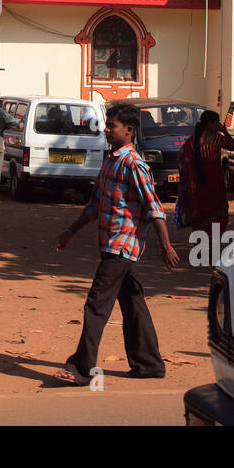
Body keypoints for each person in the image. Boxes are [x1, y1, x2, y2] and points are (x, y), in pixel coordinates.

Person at [53, 104, 180, 384]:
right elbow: (94, 206)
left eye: (112, 126)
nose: (107, 130)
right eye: (107, 125)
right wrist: (70, 232)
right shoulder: (110, 160)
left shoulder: (134, 164)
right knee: (133, 303)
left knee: (96, 304)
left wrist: (166, 245)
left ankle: (81, 368)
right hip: (111, 243)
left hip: (122, 246)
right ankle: (149, 364)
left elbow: (153, 207)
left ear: (129, 130)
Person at [177, 110, 234, 231]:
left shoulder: (218, 139)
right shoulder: (193, 142)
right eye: (216, 122)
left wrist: (225, 131)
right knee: (202, 215)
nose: (218, 125)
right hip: (200, 184)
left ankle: (210, 244)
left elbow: (233, 146)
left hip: (215, 183)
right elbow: (183, 161)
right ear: (208, 124)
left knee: (216, 215)